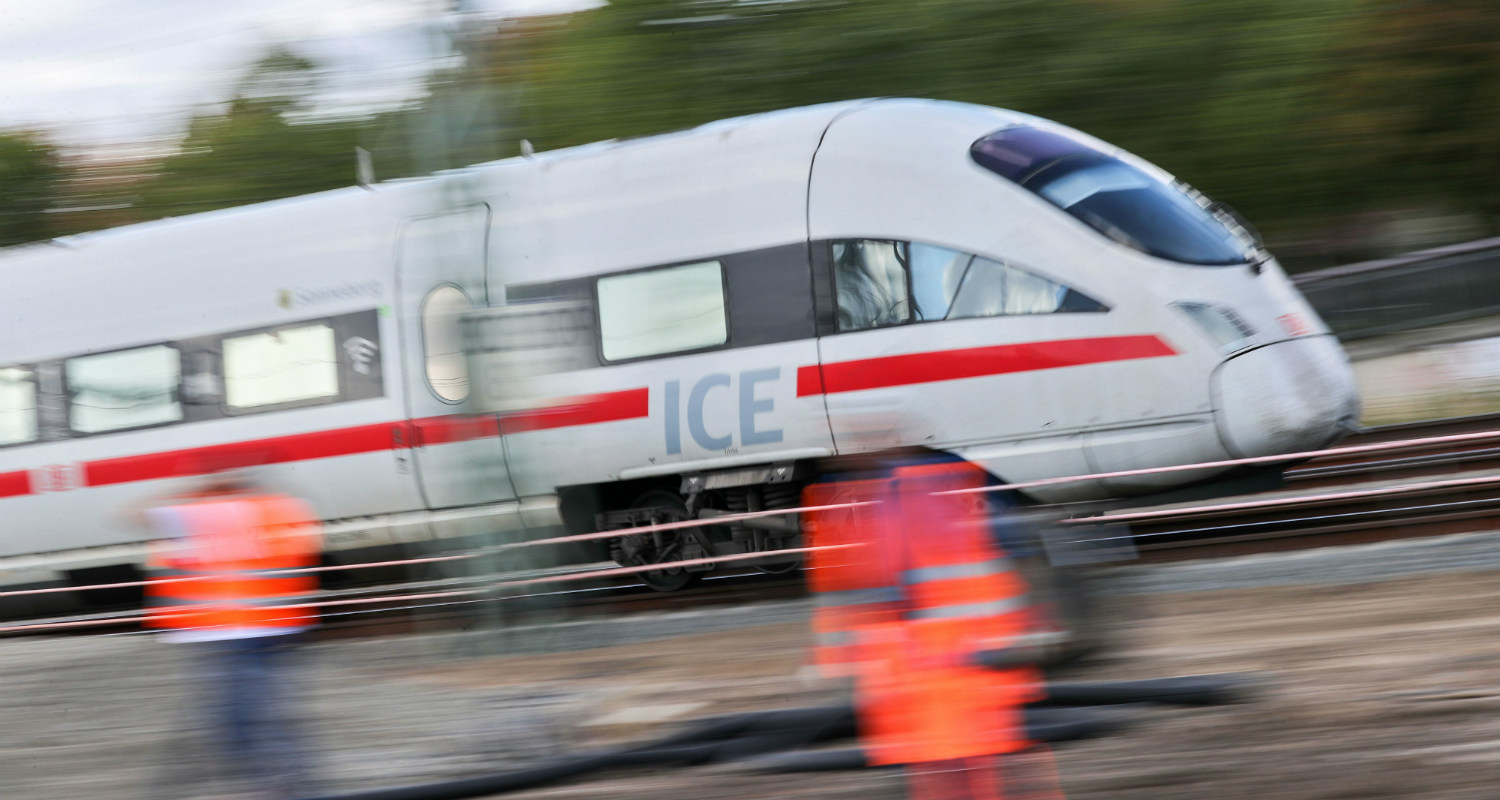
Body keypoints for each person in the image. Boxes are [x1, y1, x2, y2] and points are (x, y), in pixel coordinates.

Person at [804, 456, 1066, 800]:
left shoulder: (937, 483)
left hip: (963, 681)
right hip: (938, 687)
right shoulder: (948, 481)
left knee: (988, 764)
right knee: (979, 766)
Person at [143, 474, 322, 798]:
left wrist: (179, 492)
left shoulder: (195, 512)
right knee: (257, 717)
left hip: (227, 631)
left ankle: (287, 786)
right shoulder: (279, 506)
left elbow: (134, 514)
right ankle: (289, 783)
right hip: (271, 627)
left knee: (240, 720)